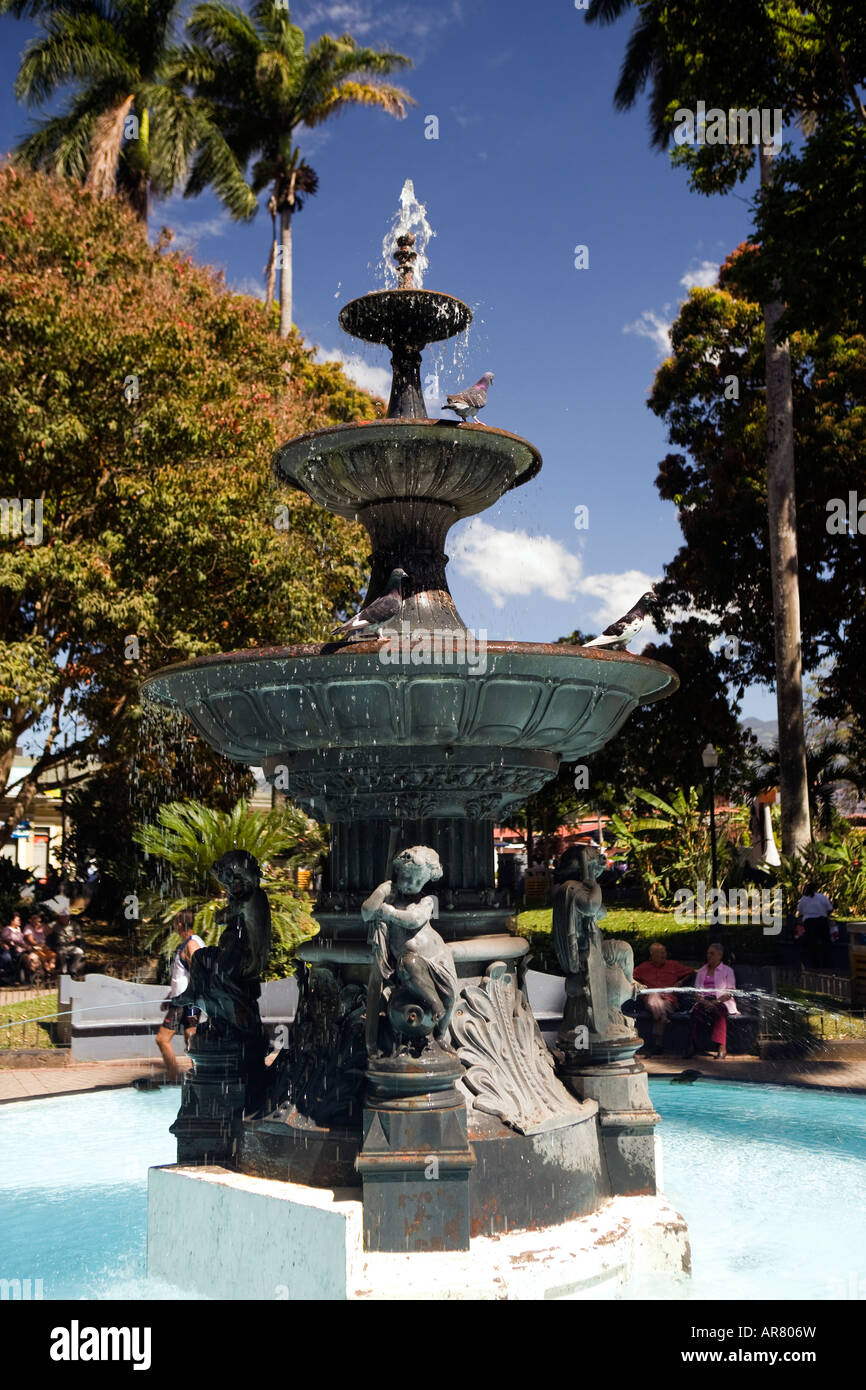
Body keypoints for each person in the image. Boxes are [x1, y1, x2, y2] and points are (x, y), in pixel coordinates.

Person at [155, 911, 204, 1083]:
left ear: (180, 925)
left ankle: (174, 1079)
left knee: (162, 1039)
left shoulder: (191, 944)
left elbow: (197, 973)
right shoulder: (195, 941)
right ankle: (197, 1077)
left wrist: (184, 998)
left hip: (184, 1001)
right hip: (186, 1000)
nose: (175, 927)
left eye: (176, 923)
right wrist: (170, 996)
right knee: (190, 1038)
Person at [633, 941, 693, 1056]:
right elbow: (630, 976)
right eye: (661, 953)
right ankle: (663, 1020)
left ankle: (657, 1045)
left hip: (668, 1000)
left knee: (659, 1006)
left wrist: (680, 982)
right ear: (652, 954)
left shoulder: (673, 965)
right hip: (651, 999)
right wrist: (640, 986)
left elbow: (691, 971)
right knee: (654, 995)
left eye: (664, 952)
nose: (664, 955)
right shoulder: (643, 967)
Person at [685, 943, 739, 1059]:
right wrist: (704, 1002)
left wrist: (716, 1002)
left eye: (712, 953)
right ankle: (692, 1045)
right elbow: (697, 992)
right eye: (708, 953)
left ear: (720, 955)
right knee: (695, 1013)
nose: (708, 956)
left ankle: (721, 1046)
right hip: (704, 1001)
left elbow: (730, 992)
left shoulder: (727, 971)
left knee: (719, 1013)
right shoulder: (701, 971)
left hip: (721, 1001)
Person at [796, 882, 834, 969]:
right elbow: (830, 909)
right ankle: (827, 964)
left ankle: (815, 964)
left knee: (812, 944)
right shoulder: (822, 897)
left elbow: (800, 912)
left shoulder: (804, 899)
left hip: (810, 922)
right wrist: (824, 914)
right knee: (825, 942)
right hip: (822, 921)